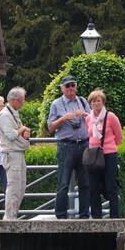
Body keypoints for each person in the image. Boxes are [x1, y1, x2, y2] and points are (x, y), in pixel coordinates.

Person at [46, 75, 91, 219]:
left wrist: (84, 114)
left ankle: (84, 215)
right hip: (66, 146)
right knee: (63, 183)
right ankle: (61, 216)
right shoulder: (56, 104)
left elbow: (93, 121)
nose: (71, 88)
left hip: (84, 145)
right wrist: (63, 118)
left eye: (73, 85)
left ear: (76, 87)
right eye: (67, 86)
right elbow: (50, 127)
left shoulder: (83, 101)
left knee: (85, 183)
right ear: (62, 88)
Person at [84, 89, 123, 218]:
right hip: (93, 155)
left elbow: (119, 136)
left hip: (109, 154)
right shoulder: (88, 118)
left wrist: (109, 146)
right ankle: (96, 216)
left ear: (103, 102)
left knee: (111, 186)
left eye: (98, 101)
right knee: (93, 186)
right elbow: (89, 135)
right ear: (90, 103)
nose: (96, 103)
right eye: (94, 101)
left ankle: (114, 216)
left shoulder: (110, 116)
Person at [0, 86, 32, 220]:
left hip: (18, 152)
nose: (24, 102)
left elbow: (15, 133)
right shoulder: (5, 115)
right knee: (14, 186)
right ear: (14, 100)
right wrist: (22, 129)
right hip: (11, 153)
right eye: (22, 99)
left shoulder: (13, 113)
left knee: (21, 186)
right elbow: (11, 135)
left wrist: (24, 133)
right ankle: (9, 217)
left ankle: (13, 215)